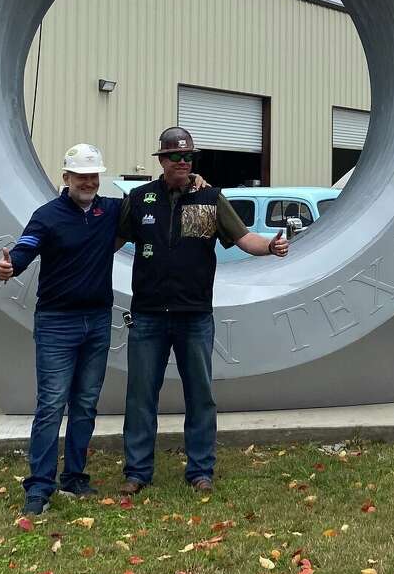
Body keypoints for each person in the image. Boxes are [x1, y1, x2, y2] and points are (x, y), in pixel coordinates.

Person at [117, 127, 290, 495]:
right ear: (161, 160)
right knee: (140, 395)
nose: (182, 162)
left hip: (193, 316)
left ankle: (200, 471)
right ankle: (137, 472)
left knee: (200, 394)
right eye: (175, 156)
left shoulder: (212, 200)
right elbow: (108, 240)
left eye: (188, 157)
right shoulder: (140, 199)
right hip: (147, 315)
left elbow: (244, 238)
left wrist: (270, 247)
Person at [0, 143, 121, 516]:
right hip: (57, 324)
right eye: (81, 175)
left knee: (85, 404)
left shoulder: (110, 210)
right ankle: (39, 487)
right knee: (51, 404)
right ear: (65, 177)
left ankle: (75, 478)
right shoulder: (47, 216)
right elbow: (24, 249)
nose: (88, 181)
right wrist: (10, 267)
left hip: (98, 321)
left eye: (94, 175)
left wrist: (194, 179)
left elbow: (150, 201)